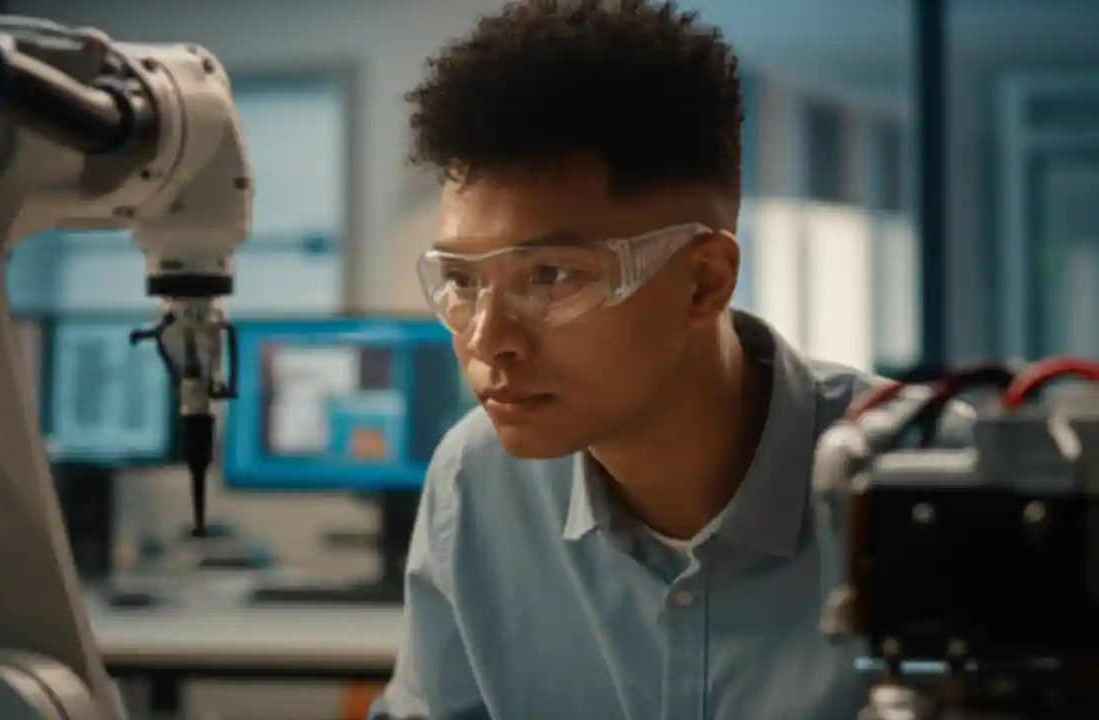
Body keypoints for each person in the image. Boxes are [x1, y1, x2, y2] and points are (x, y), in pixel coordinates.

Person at [374, 1, 880, 718]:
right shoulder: (474, 484)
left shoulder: (927, 486)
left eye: (550, 276)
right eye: (461, 281)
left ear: (703, 281)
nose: (487, 340)